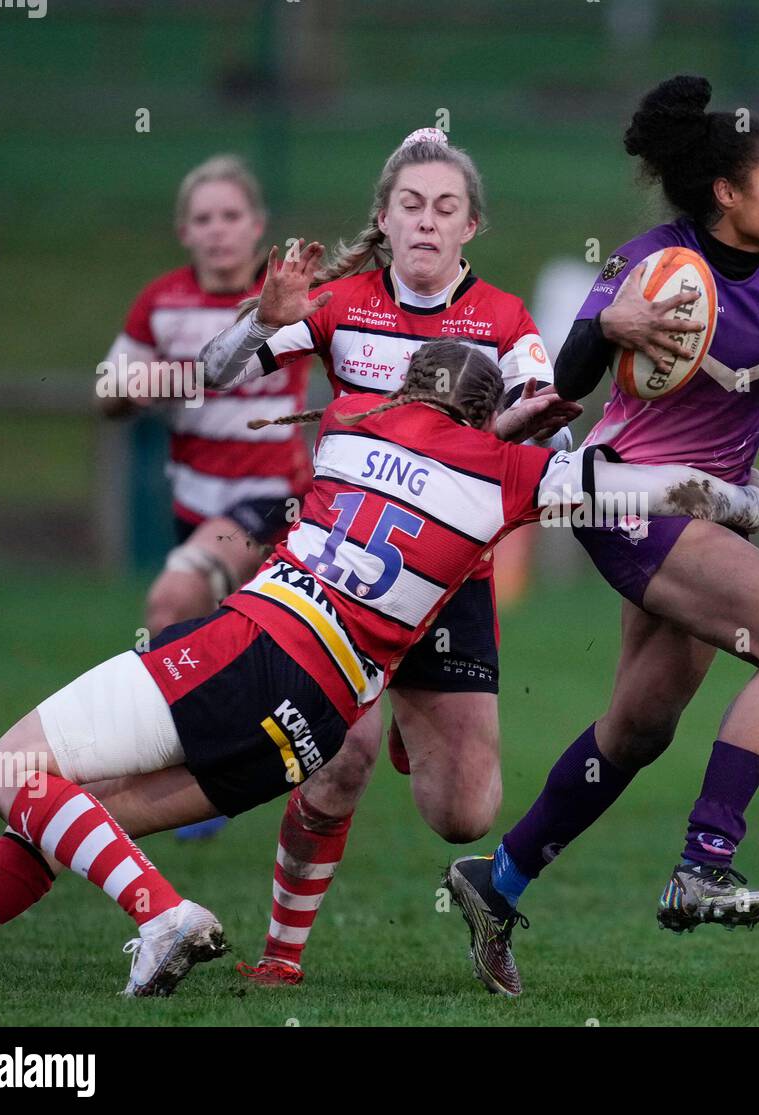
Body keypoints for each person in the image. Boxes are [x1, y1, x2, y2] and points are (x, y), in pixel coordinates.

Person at [0, 341, 759, 997]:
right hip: (318, 716)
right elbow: (663, 487)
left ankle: (164, 912)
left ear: (408, 390)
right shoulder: (512, 477)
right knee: (61, 820)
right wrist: (746, 502)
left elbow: (360, 419)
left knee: (13, 766)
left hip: (254, 642)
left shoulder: (346, 423)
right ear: (487, 418)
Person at [442, 74, 759, 997]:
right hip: (623, 499)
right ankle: (705, 862)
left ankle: (494, 883)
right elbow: (557, 396)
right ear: (726, 194)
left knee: (641, 724)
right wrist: (603, 324)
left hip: (708, 506)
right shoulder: (651, 266)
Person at [197, 129, 573, 984]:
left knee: (464, 815)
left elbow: (554, 437)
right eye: (411, 206)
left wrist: (526, 427)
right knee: (340, 763)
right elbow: (217, 373)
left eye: (446, 209)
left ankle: (413, 719)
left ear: (472, 225)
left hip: (449, 584)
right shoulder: (342, 304)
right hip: (339, 575)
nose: (427, 223)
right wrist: (263, 315)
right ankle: (281, 957)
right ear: (384, 218)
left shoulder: (506, 323)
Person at [99, 154, 315, 841]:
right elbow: (108, 392)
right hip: (194, 500)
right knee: (228, 640)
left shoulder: (287, 298)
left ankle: (172, 769)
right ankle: (201, 772)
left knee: (171, 599)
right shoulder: (161, 301)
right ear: (183, 231)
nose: (218, 230)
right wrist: (135, 387)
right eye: (203, 219)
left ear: (258, 227)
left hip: (271, 498)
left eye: (231, 216)